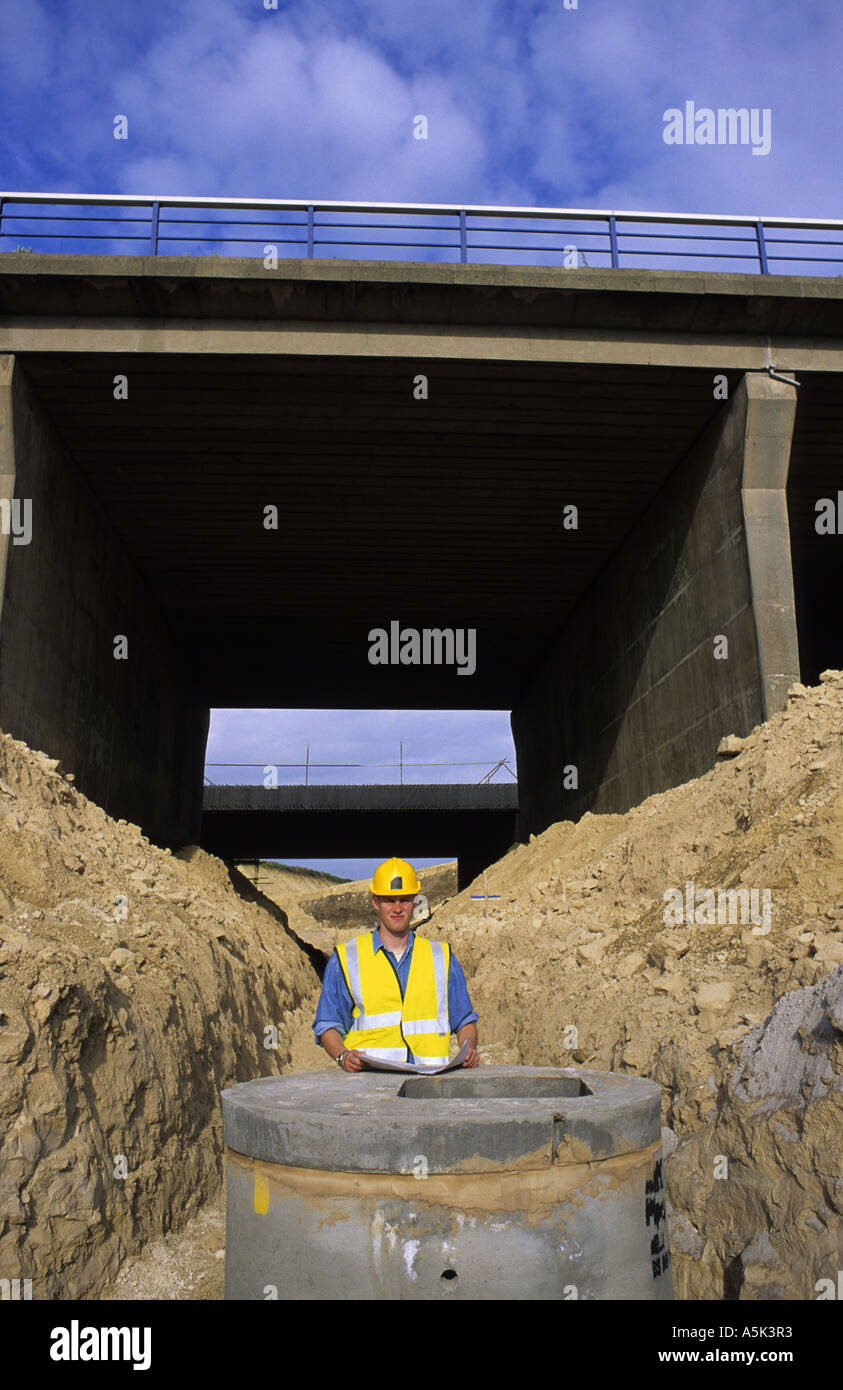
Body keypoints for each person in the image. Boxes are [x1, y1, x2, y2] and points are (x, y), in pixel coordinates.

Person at [313, 856, 479, 1072]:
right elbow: (327, 1024)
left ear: (415, 901)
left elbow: (465, 1020)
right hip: (369, 1083)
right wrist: (343, 1056)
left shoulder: (442, 957)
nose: (398, 908)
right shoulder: (346, 958)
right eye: (390, 900)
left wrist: (469, 1049)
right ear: (376, 902)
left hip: (429, 1083)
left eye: (405, 899)